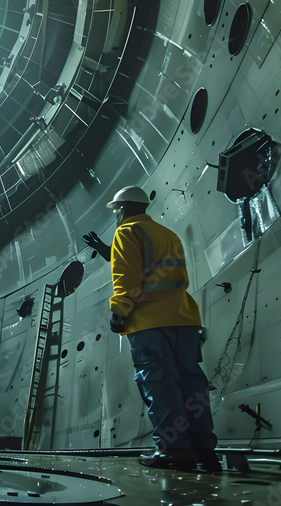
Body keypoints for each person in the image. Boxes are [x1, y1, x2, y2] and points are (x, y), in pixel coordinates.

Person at [83, 186, 220, 472]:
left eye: (117, 211)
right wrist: (108, 252)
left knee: (158, 382)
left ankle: (172, 451)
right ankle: (203, 451)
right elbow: (156, 269)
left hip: (149, 320)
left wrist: (119, 311)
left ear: (121, 209)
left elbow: (128, 275)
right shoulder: (166, 234)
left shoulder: (125, 232)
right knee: (191, 383)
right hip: (183, 317)